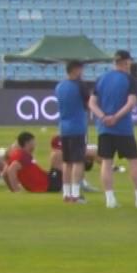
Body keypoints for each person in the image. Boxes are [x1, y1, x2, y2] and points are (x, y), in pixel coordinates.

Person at [90, 50, 137, 208]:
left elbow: (91, 103)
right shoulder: (129, 79)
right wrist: (116, 117)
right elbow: (131, 103)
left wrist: (103, 117)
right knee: (134, 162)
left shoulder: (101, 78)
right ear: (126, 62)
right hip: (123, 128)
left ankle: (110, 200)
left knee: (106, 162)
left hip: (104, 128)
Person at [54, 60, 91, 203]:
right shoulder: (80, 86)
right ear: (76, 70)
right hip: (77, 127)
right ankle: (75, 194)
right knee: (78, 161)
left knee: (67, 161)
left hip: (64, 128)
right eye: (81, 70)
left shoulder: (59, 86)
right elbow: (88, 103)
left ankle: (66, 193)